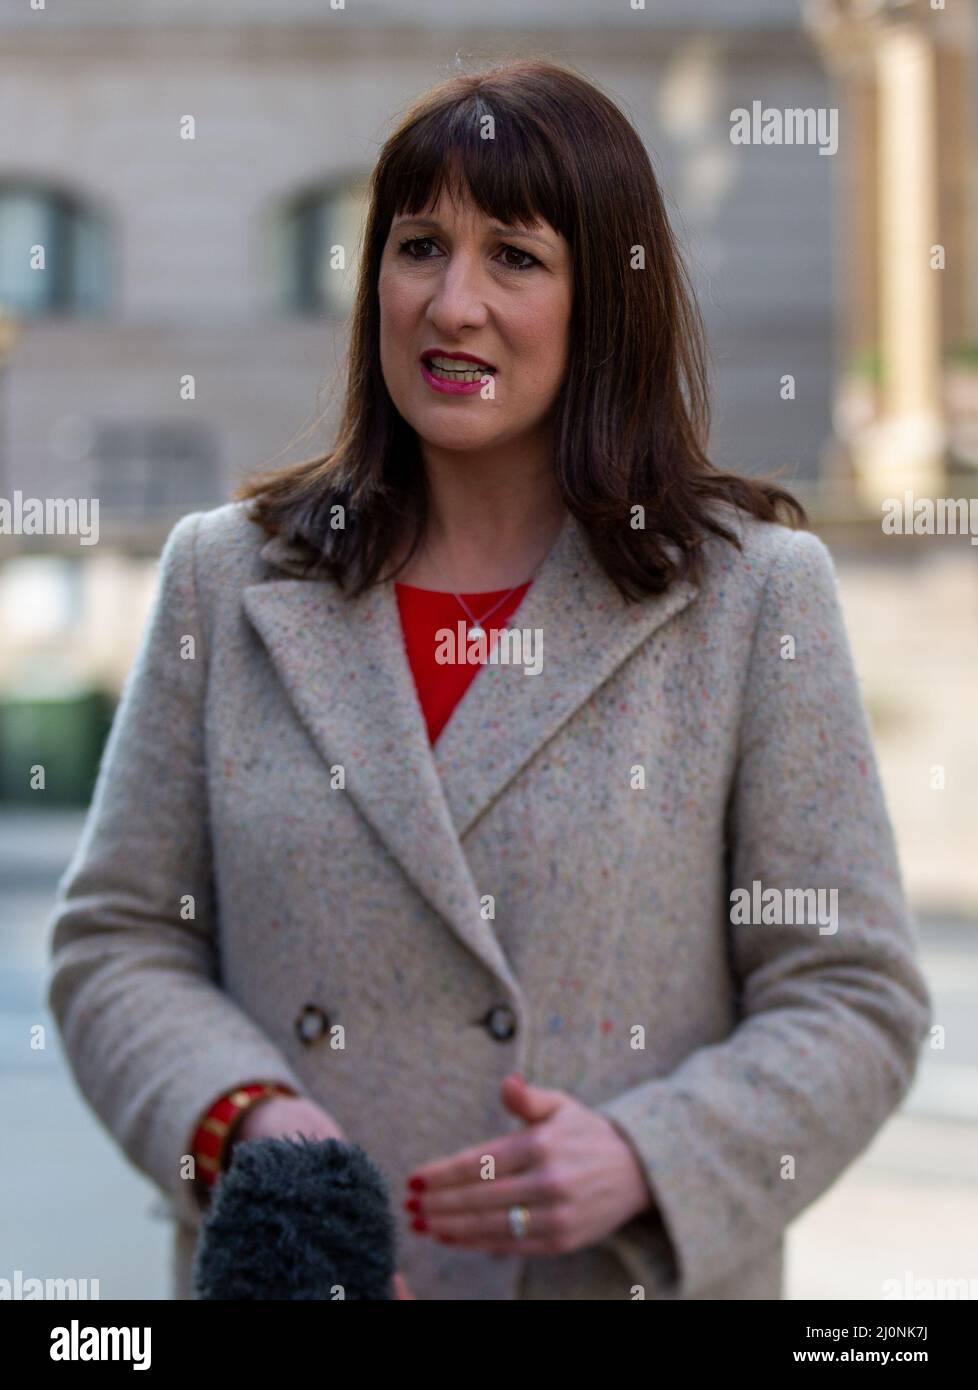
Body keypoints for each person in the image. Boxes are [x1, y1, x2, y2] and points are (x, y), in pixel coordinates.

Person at [47, 57, 931, 1301]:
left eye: (514, 257)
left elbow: (852, 992)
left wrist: (649, 1154)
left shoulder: (752, 596)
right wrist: (251, 1132)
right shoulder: (224, 575)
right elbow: (118, 941)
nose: (452, 304)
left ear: (605, 299)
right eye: (419, 247)